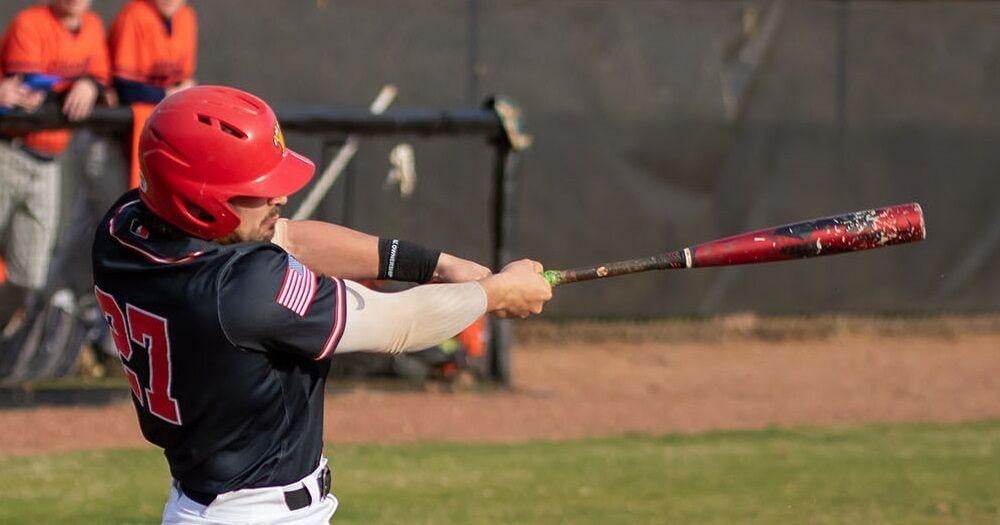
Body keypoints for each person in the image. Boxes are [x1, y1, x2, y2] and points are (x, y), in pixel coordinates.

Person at [91, 86, 552, 524]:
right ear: (201, 202)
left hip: (210, 500)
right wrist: (497, 294)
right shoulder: (243, 289)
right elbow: (399, 324)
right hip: (258, 513)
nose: (280, 196)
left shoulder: (122, 229)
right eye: (257, 187)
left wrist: (437, 266)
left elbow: (288, 237)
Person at [0, 0, 110, 330]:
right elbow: (32, 91)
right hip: (8, 151)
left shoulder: (91, 27)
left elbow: (101, 78)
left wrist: (90, 84)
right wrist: (74, 89)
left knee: (29, 276)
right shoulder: (30, 23)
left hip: (48, 163)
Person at [108, 0, 197, 189]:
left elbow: (183, 80)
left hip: (148, 134)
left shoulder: (185, 18)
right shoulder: (134, 15)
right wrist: (169, 94)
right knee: (112, 212)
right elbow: (124, 87)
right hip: (109, 138)